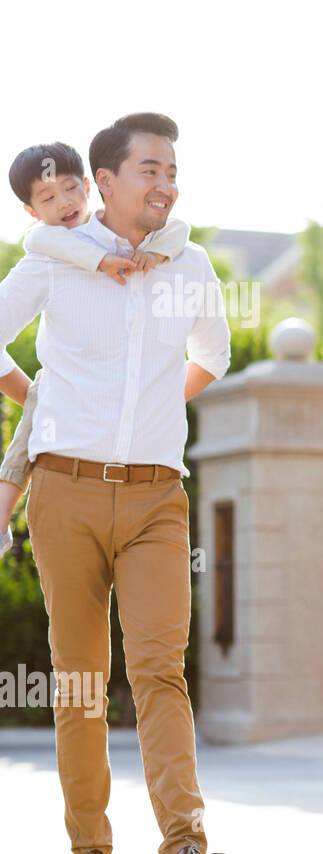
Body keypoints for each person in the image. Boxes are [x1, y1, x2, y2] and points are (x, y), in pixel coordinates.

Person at [0, 115, 232, 854]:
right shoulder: (54, 258)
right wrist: (40, 398)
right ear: (105, 182)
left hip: (157, 498)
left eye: (171, 170)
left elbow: (215, 354)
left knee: (162, 670)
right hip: (64, 493)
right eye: (150, 170)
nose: (165, 183)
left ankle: (186, 843)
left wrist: (157, 410)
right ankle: (91, 847)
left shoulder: (189, 262)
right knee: (78, 678)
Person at [0, 141, 188, 558]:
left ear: (89, 185)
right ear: (32, 212)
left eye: (71, 188)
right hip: (67, 448)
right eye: (48, 197)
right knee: (24, 443)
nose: (64, 202)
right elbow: (62, 246)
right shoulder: (46, 247)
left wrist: (155, 253)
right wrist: (30, 391)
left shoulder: (132, 235)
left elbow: (180, 230)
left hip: (147, 478)